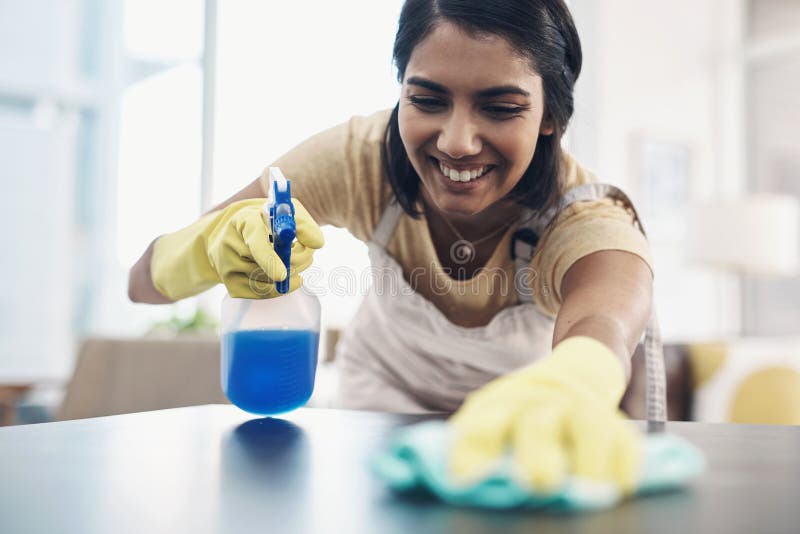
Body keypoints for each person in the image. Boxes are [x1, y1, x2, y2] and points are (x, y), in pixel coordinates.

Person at [129, 0, 660, 495]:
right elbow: (142, 285)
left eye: (499, 108)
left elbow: (605, 323)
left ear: (551, 116)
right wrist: (207, 249)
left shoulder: (583, 215)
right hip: (372, 425)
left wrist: (580, 377)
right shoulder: (359, 162)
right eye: (427, 100)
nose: (457, 141)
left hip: (517, 447)